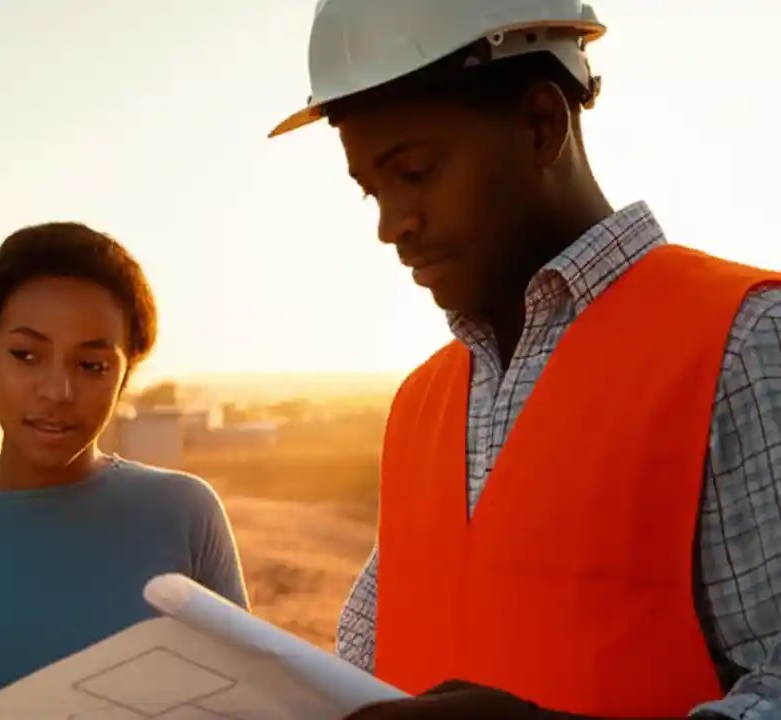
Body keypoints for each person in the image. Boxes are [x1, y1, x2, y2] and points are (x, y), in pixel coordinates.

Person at [266, 2, 781, 719]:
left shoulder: (747, 343)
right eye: (372, 192)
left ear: (541, 124)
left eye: (414, 172)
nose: (390, 225)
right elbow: (376, 660)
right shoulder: (421, 404)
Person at [0, 222, 249, 714]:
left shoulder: (185, 513)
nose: (57, 391)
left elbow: (243, 702)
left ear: (125, 373)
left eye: (91, 365)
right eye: (26, 355)